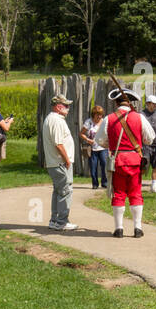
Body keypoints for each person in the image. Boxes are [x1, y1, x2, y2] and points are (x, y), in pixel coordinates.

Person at [94, 86, 156, 237]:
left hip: (118, 161)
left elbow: (99, 140)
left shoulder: (109, 118)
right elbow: (150, 138)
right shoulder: (139, 117)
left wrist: (114, 145)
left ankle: (119, 229)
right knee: (135, 193)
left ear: (116, 102)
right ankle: (137, 228)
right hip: (135, 161)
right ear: (130, 102)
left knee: (119, 194)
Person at [41, 94, 77, 231]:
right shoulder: (56, 120)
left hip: (55, 162)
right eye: (66, 106)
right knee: (65, 191)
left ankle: (55, 220)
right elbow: (58, 143)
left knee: (58, 191)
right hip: (60, 162)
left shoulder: (53, 119)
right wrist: (67, 160)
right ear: (58, 106)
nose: (68, 108)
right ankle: (62, 221)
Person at [81, 105, 108, 189]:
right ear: (93, 114)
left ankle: (104, 183)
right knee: (93, 167)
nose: (99, 116)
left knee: (104, 165)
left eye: (100, 114)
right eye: (97, 114)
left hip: (103, 148)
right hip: (92, 149)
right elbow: (81, 133)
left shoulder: (104, 122)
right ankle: (95, 184)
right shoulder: (88, 122)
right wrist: (88, 140)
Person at [142, 94, 156, 193]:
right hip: (145, 145)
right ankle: (137, 185)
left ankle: (154, 186)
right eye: (153, 104)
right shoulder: (141, 115)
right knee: (143, 165)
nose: (155, 105)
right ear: (148, 104)